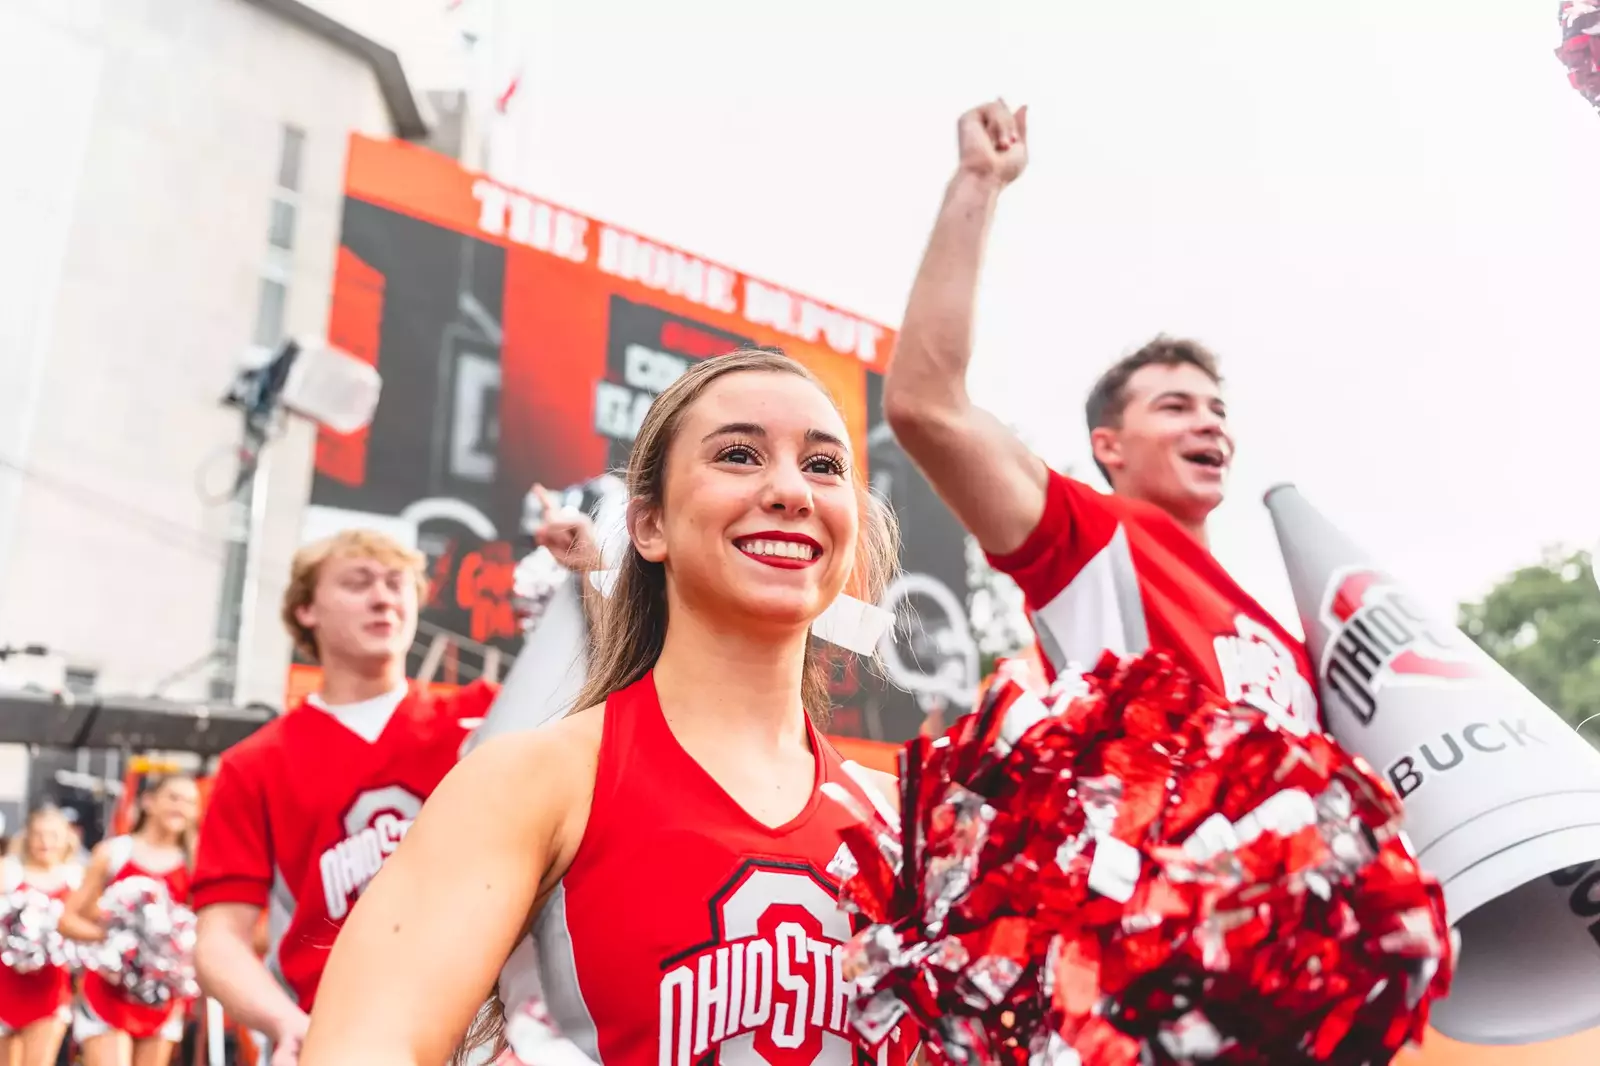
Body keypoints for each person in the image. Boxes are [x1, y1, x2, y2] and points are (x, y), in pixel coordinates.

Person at [297, 348, 906, 1066]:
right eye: (739, 455)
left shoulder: (899, 823)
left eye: (824, 465)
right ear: (647, 526)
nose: (790, 491)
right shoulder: (531, 782)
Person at [883, 100, 1317, 730]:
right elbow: (927, 407)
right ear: (1108, 446)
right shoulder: (1095, 541)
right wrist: (979, 181)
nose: (1209, 423)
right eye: (1175, 407)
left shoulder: (1286, 636)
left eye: (1217, 409)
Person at [191, 519, 596, 1066]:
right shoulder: (255, 762)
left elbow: (610, 696)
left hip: (480, 1036)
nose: (383, 597)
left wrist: (593, 571)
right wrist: (287, 1024)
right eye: (358, 583)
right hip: (336, 1036)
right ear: (306, 610)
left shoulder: (483, 716)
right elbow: (219, 939)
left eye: (396, 583)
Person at [60, 776, 200, 1066]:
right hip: (108, 994)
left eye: (190, 802)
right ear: (149, 801)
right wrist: (121, 942)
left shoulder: (194, 863)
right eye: (173, 797)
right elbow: (68, 920)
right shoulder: (113, 852)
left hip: (160, 1000)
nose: (181, 807)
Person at [0, 807, 83, 1066]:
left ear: (66, 839)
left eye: (53, 835)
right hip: (5, 984)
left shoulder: (76, 878)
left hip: (50, 988)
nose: (45, 842)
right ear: (27, 837)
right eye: (38, 835)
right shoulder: (7, 872)